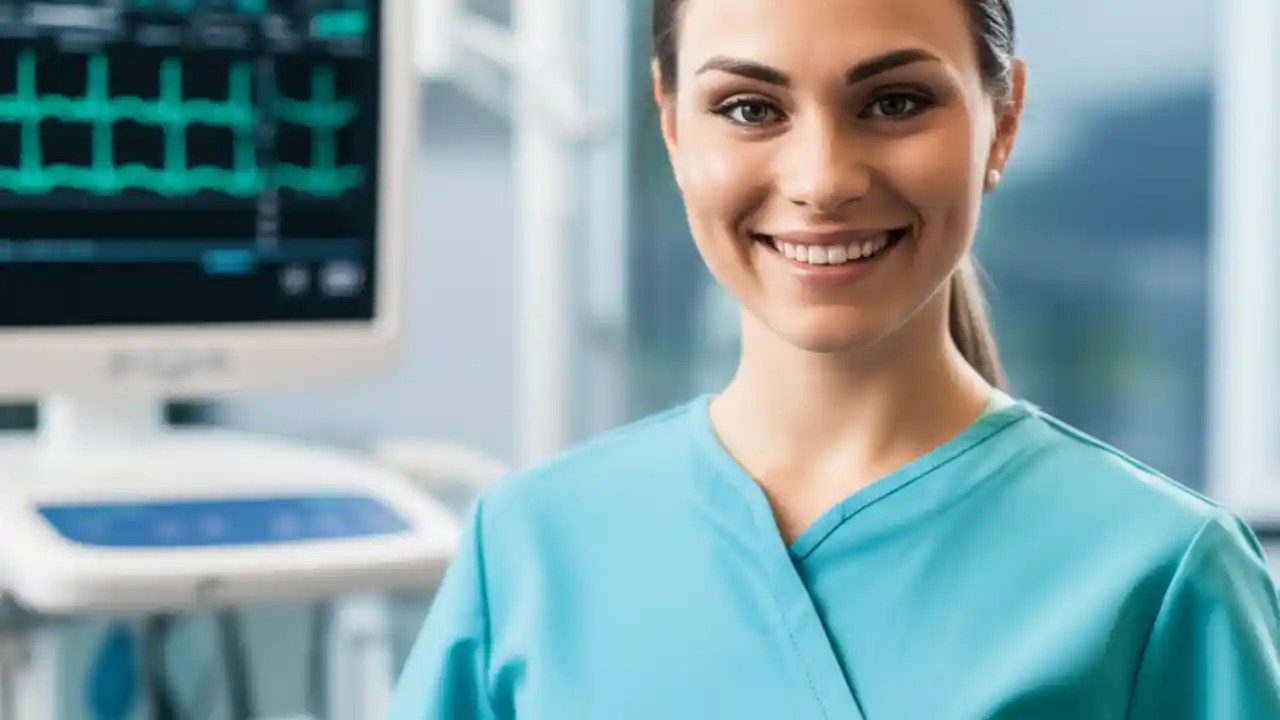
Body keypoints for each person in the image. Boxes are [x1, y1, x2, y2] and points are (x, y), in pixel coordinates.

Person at [389, 0, 1280, 717]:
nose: (822, 178)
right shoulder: (529, 547)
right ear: (670, 128)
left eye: (893, 103)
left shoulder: (1162, 573)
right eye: (749, 108)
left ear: (1000, 121)